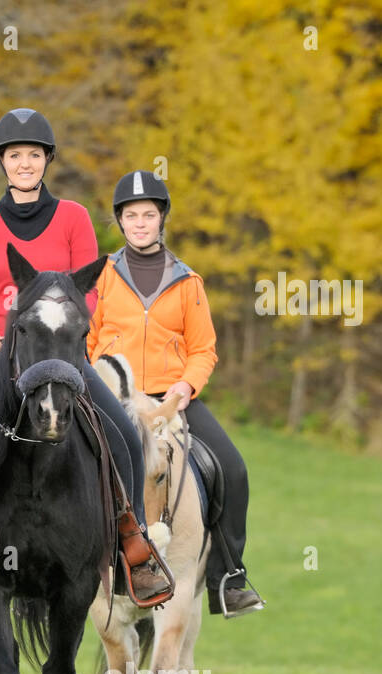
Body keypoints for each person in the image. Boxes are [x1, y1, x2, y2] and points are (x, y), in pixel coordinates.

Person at [0, 108, 172, 607]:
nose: (25, 163)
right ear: (2, 162)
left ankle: (132, 545)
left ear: (46, 160)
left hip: (62, 355)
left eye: (34, 154)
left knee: (123, 433)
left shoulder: (74, 217)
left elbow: (88, 293)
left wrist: (72, 341)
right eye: (16, 155)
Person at [87, 170, 264, 617]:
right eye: (132, 215)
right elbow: (87, 340)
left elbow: (204, 349)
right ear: (120, 222)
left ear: (161, 219)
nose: (141, 223)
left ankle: (229, 579)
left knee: (234, 469)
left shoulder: (189, 282)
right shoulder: (101, 276)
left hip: (172, 399)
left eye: (149, 214)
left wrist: (184, 389)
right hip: (114, 398)